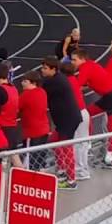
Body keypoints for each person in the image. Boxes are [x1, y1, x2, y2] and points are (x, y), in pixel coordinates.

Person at [70, 48, 112, 169]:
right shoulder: (91, 64)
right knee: (90, 115)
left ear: (82, 59)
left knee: (108, 125)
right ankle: (102, 153)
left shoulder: (84, 68)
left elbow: (78, 85)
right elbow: (89, 82)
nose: (72, 62)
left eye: (74, 60)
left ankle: (101, 153)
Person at [39, 58, 83, 189]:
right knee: (54, 141)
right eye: (42, 68)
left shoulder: (55, 82)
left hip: (67, 119)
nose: (42, 70)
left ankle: (71, 180)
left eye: (45, 68)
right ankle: (62, 170)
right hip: (64, 119)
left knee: (66, 147)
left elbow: (41, 93)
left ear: (53, 69)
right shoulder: (57, 79)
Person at [59, 61, 91, 182]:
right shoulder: (73, 79)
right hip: (83, 112)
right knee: (82, 144)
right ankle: (82, 170)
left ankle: (79, 171)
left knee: (77, 144)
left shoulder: (66, 82)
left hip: (77, 114)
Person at [17, 73, 51, 172]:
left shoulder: (25, 95)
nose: (22, 83)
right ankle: (40, 177)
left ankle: (29, 181)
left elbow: (16, 110)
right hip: (44, 129)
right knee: (40, 158)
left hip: (32, 133)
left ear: (33, 82)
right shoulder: (42, 92)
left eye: (25, 81)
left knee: (29, 159)